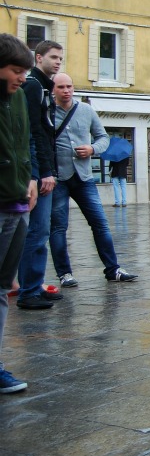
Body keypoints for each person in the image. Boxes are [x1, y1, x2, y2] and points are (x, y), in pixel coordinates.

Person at [49, 73, 138, 284]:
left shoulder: (86, 110)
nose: (66, 90)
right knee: (58, 227)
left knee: (100, 223)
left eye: (69, 86)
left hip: (84, 177)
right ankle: (64, 274)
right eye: (61, 87)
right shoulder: (47, 112)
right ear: (53, 90)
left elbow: (103, 137)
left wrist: (92, 149)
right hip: (58, 177)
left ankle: (113, 269)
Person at [0, 34, 39, 392]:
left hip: (17, 204)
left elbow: (26, 141)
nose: (22, 78)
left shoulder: (20, 98)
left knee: (1, 287)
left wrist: (32, 177)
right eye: (16, 70)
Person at [15, 41, 62, 310]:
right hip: (40, 172)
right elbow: (35, 133)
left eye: (60, 58)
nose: (58, 62)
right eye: (53, 57)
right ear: (39, 57)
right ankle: (29, 291)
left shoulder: (43, 86)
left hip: (43, 169)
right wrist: (43, 172)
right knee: (37, 231)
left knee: (39, 232)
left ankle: (33, 285)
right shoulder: (33, 86)